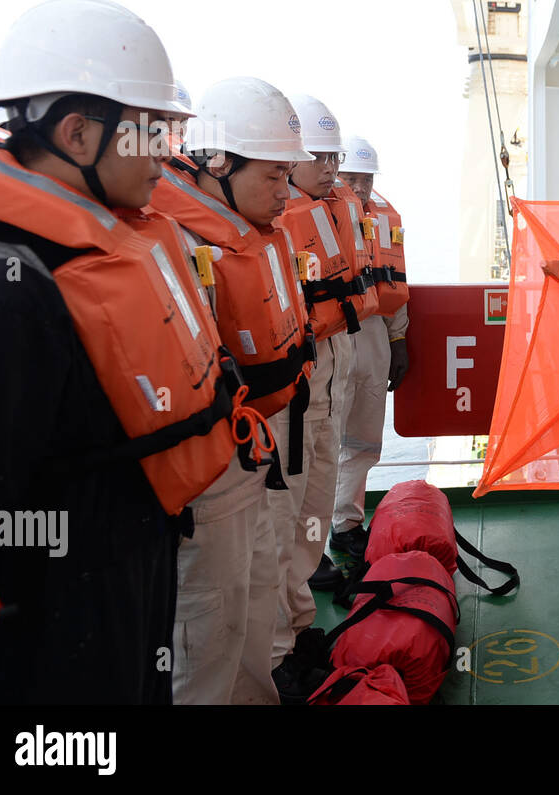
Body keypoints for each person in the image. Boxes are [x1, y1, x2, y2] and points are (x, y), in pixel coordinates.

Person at [0, 0, 232, 703]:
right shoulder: (5, 288)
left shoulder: (100, 241)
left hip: (121, 590)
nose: (167, 155)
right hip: (57, 639)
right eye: (150, 134)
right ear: (78, 134)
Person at [150, 76, 315, 704]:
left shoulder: (248, 239)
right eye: (273, 176)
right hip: (205, 483)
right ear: (218, 162)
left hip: (249, 458)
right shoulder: (181, 247)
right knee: (205, 645)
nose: (284, 192)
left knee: (251, 615)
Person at [270, 94, 377, 699]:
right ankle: (277, 649)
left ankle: (300, 623)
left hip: (332, 359)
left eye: (336, 155)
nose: (333, 166)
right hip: (299, 373)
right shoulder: (278, 219)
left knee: (317, 490)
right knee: (284, 516)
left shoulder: (334, 209)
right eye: (321, 155)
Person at [330, 135, 410, 560]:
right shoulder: (312, 219)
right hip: (334, 337)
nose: (359, 188)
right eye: (351, 178)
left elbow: (394, 281)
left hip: (376, 336)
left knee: (363, 441)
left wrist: (399, 341)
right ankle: (309, 540)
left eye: (366, 179)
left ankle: (346, 525)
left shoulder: (384, 219)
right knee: (322, 443)